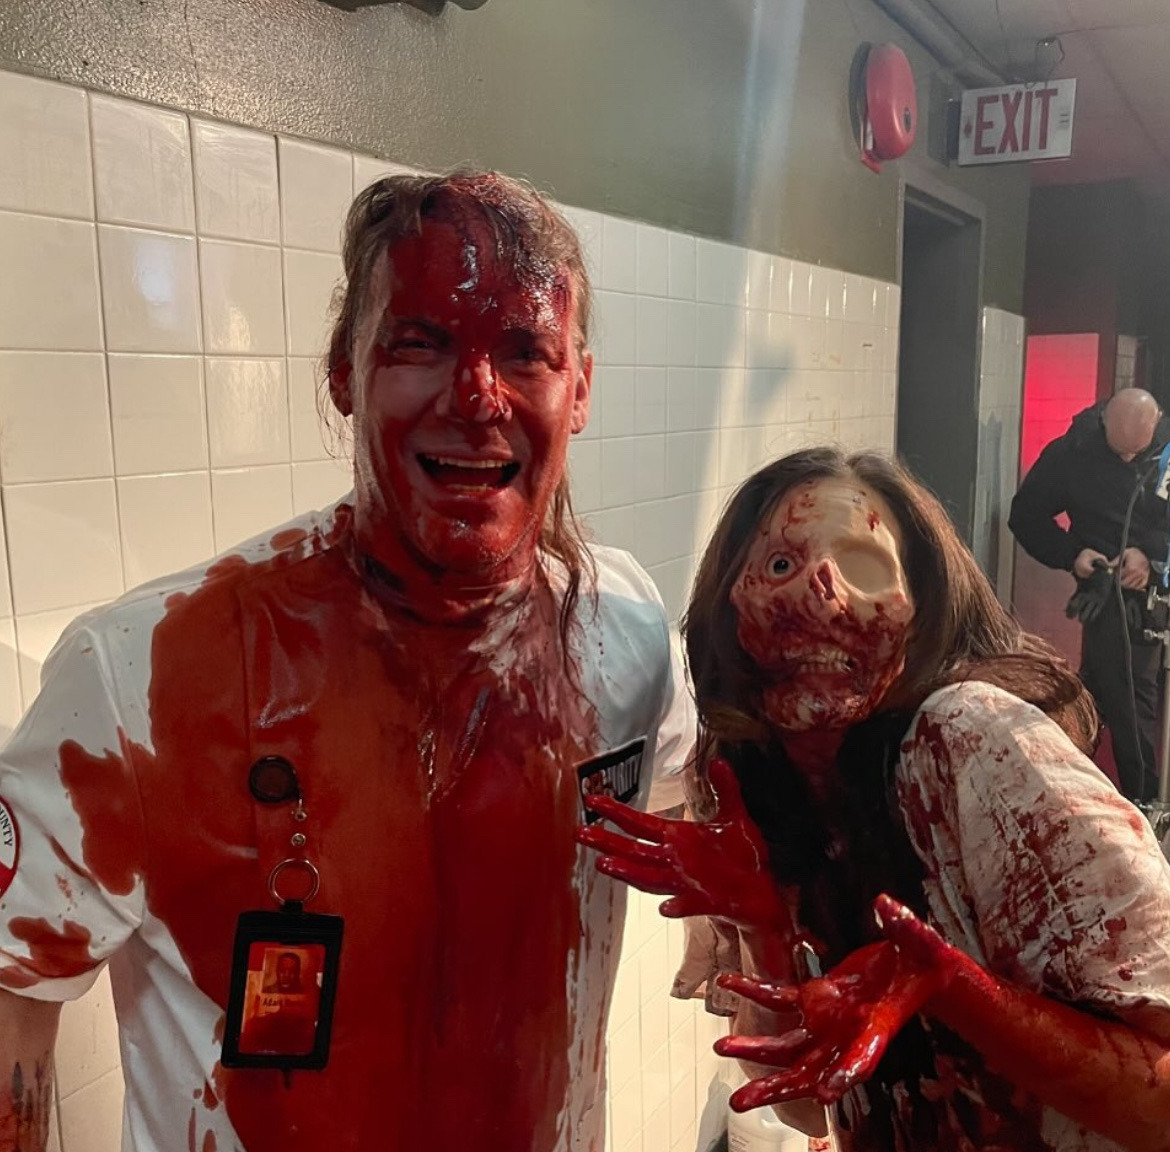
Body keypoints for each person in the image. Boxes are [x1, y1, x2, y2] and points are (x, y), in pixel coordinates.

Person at [0, 171, 692, 1152]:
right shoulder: (144, 674)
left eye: (524, 352)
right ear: (343, 370)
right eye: (421, 343)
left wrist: (739, 930)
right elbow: (14, 992)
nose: (477, 396)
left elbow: (685, 800)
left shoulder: (625, 633)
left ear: (577, 389)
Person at [582, 447, 1170, 1151]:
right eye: (781, 565)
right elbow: (808, 1112)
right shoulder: (752, 788)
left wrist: (958, 993)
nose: (822, 595)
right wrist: (766, 930)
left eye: (864, 567)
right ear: (726, 609)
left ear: (922, 611)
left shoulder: (970, 740)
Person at [1009, 388, 1170, 803]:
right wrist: (1072, 555)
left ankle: (1079, 781)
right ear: (1104, 421)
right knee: (1128, 698)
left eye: (1137, 450)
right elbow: (1025, 515)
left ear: (1156, 424)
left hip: (1157, 582)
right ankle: (1141, 801)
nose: (1129, 458)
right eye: (1120, 449)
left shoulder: (1166, 455)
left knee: (1102, 692)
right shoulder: (1073, 453)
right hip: (1107, 593)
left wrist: (1149, 556)